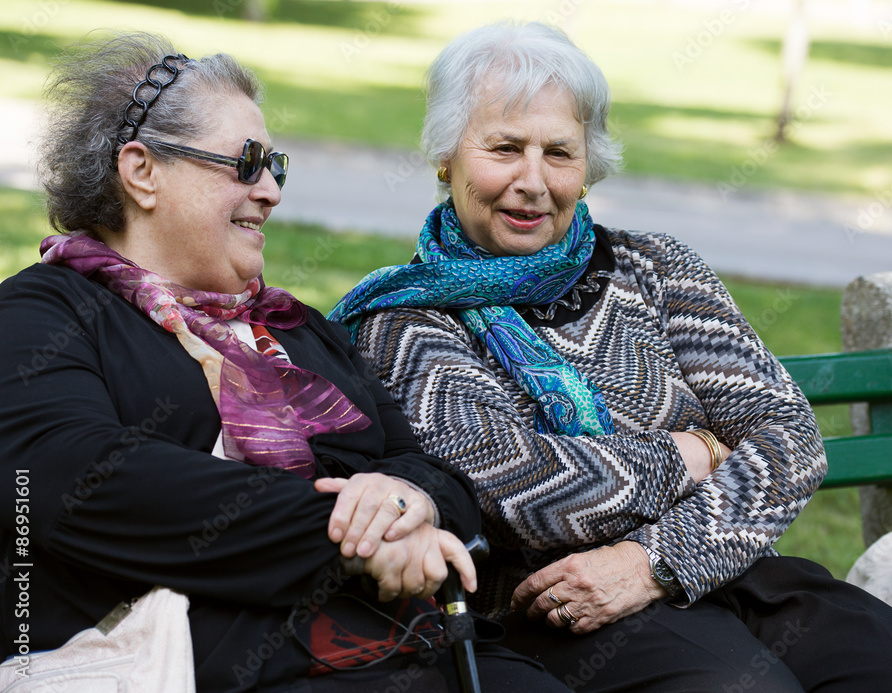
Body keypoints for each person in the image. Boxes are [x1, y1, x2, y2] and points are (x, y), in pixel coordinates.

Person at [330, 20, 892, 693]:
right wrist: (696, 452)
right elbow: (515, 490)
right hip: (556, 605)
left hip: (730, 571)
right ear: (447, 156)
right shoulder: (405, 320)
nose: (533, 180)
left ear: (589, 165)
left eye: (559, 151)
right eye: (504, 148)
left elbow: (789, 442)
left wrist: (654, 559)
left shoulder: (654, 267)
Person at [0, 31, 572, 693]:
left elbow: (432, 474)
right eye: (246, 162)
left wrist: (406, 498)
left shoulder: (293, 330)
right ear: (141, 171)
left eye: (277, 165)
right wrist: (352, 536)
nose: (270, 190)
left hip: (404, 650)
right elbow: (81, 480)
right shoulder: (42, 314)